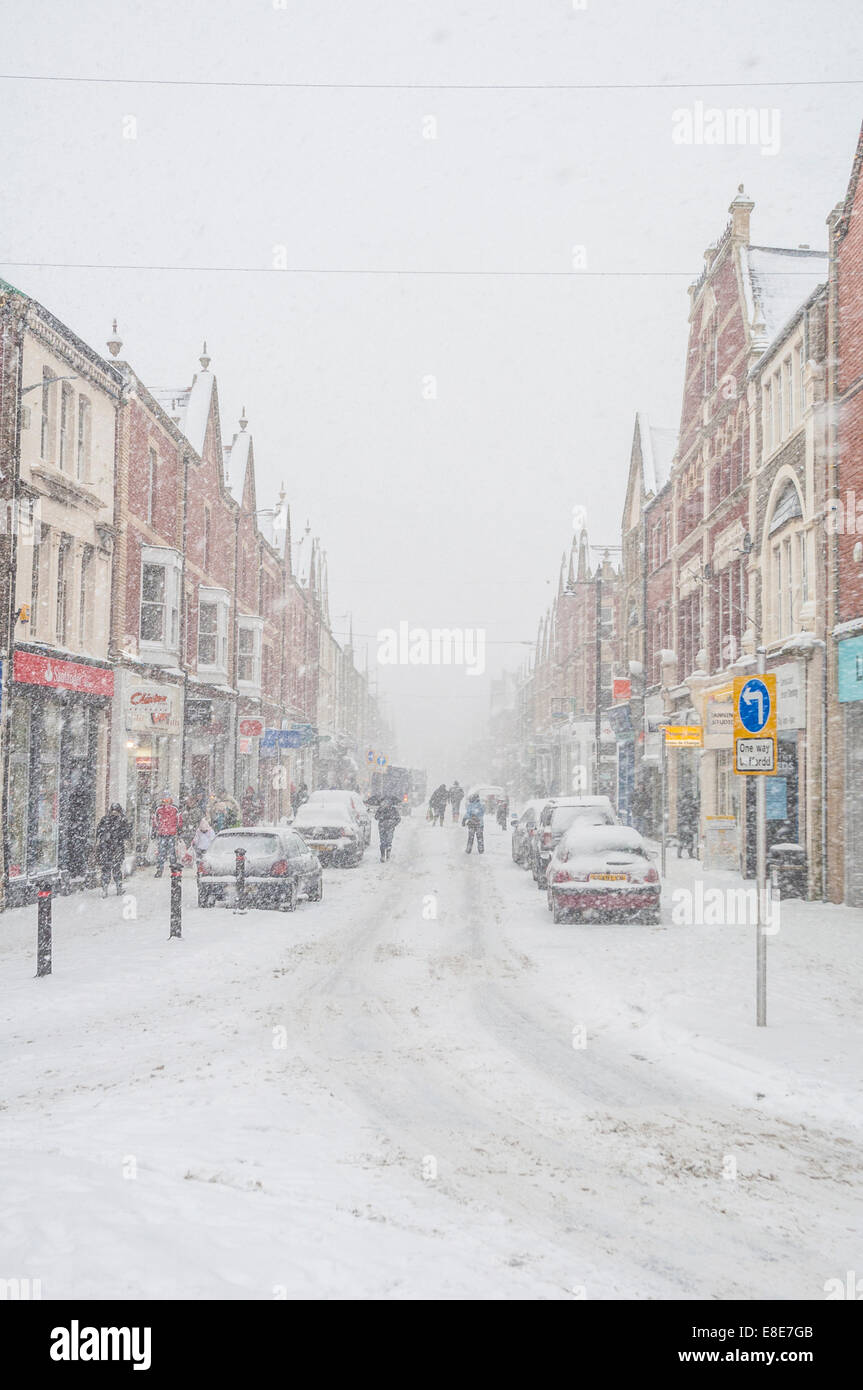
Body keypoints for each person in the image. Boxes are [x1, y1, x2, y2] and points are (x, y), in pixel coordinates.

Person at [94, 803, 132, 897]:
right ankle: (118, 888)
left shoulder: (105, 819)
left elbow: (98, 832)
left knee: (106, 869)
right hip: (116, 848)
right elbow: (127, 834)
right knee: (116, 869)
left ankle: (105, 889)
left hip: (106, 848)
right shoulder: (122, 820)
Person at [152, 791, 182, 876]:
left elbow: (179, 820)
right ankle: (162, 870)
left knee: (170, 852)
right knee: (163, 852)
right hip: (164, 833)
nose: (166, 801)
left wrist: (178, 829)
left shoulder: (174, 809)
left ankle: (171, 869)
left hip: (169, 833)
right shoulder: (159, 809)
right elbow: (155, 820)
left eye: (167, 799)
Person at [376, 797, 400, 862]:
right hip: (382, 827)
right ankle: (383, 856)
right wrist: (381, 817)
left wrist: (393, 823)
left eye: (388, 802)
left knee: (388, 841)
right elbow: (376, 817)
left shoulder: (393, 810)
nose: (386, 804)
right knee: (383, 842)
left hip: (389, 828)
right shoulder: (380, 809)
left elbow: (398, 819)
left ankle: (387, 856)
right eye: (385, 802)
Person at [677, 789, 699, 858]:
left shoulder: (682, 803)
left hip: (682, 824)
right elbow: (694, 812)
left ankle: (679, 853)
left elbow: (679, 812)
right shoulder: (691, 803)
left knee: (682, 839)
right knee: (689, 839)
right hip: (688, 823)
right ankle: (690, 853)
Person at [462, 790, 485, 855]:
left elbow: (467, 813)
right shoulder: (481, 805)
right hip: (479, 824)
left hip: (472, 823)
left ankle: (468, 849)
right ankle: (481, 850)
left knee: (470, 837)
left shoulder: (471, 805)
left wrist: (464, 819)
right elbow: (482, 813)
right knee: (480, 837)